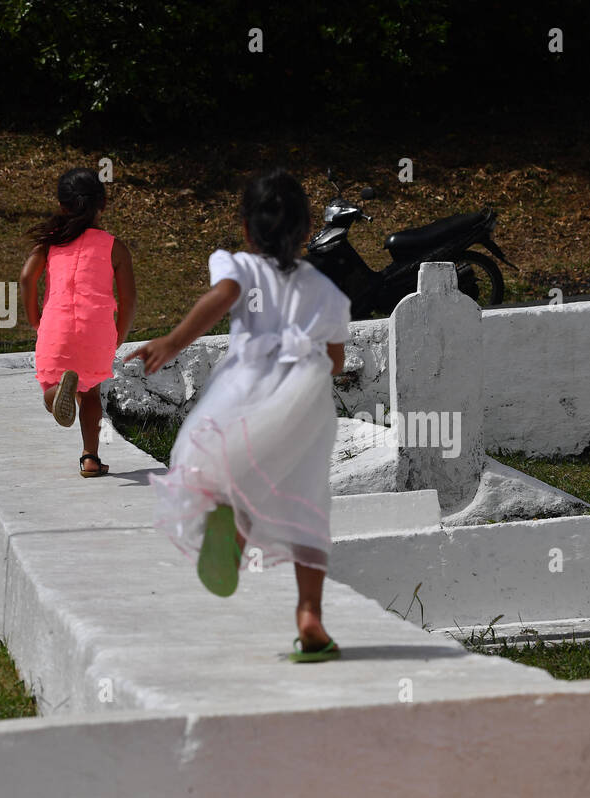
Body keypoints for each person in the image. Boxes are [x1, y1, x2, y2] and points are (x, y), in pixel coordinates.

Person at [132, 169, 349, 663]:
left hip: (247, 387)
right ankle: (310, 616)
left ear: (247, 228)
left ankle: (232, 530)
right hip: (306, 400)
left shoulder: (238, 267)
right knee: (304, 499)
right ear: (307, 228)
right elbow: (335, 361)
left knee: (228, 461)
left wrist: (171, 342)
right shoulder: (325, 289)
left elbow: (221, 298)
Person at [21, 167, 136, 476]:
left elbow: (26, 278)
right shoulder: (115, 247)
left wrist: (35, 320)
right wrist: (117, 337)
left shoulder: (50, 243)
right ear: (104, 204)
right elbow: (129, 301)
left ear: (62, 206)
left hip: (56, 329)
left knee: (53, 384)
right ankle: (90, 458)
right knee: (93, 393)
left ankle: (56, 394)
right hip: (96, 332)